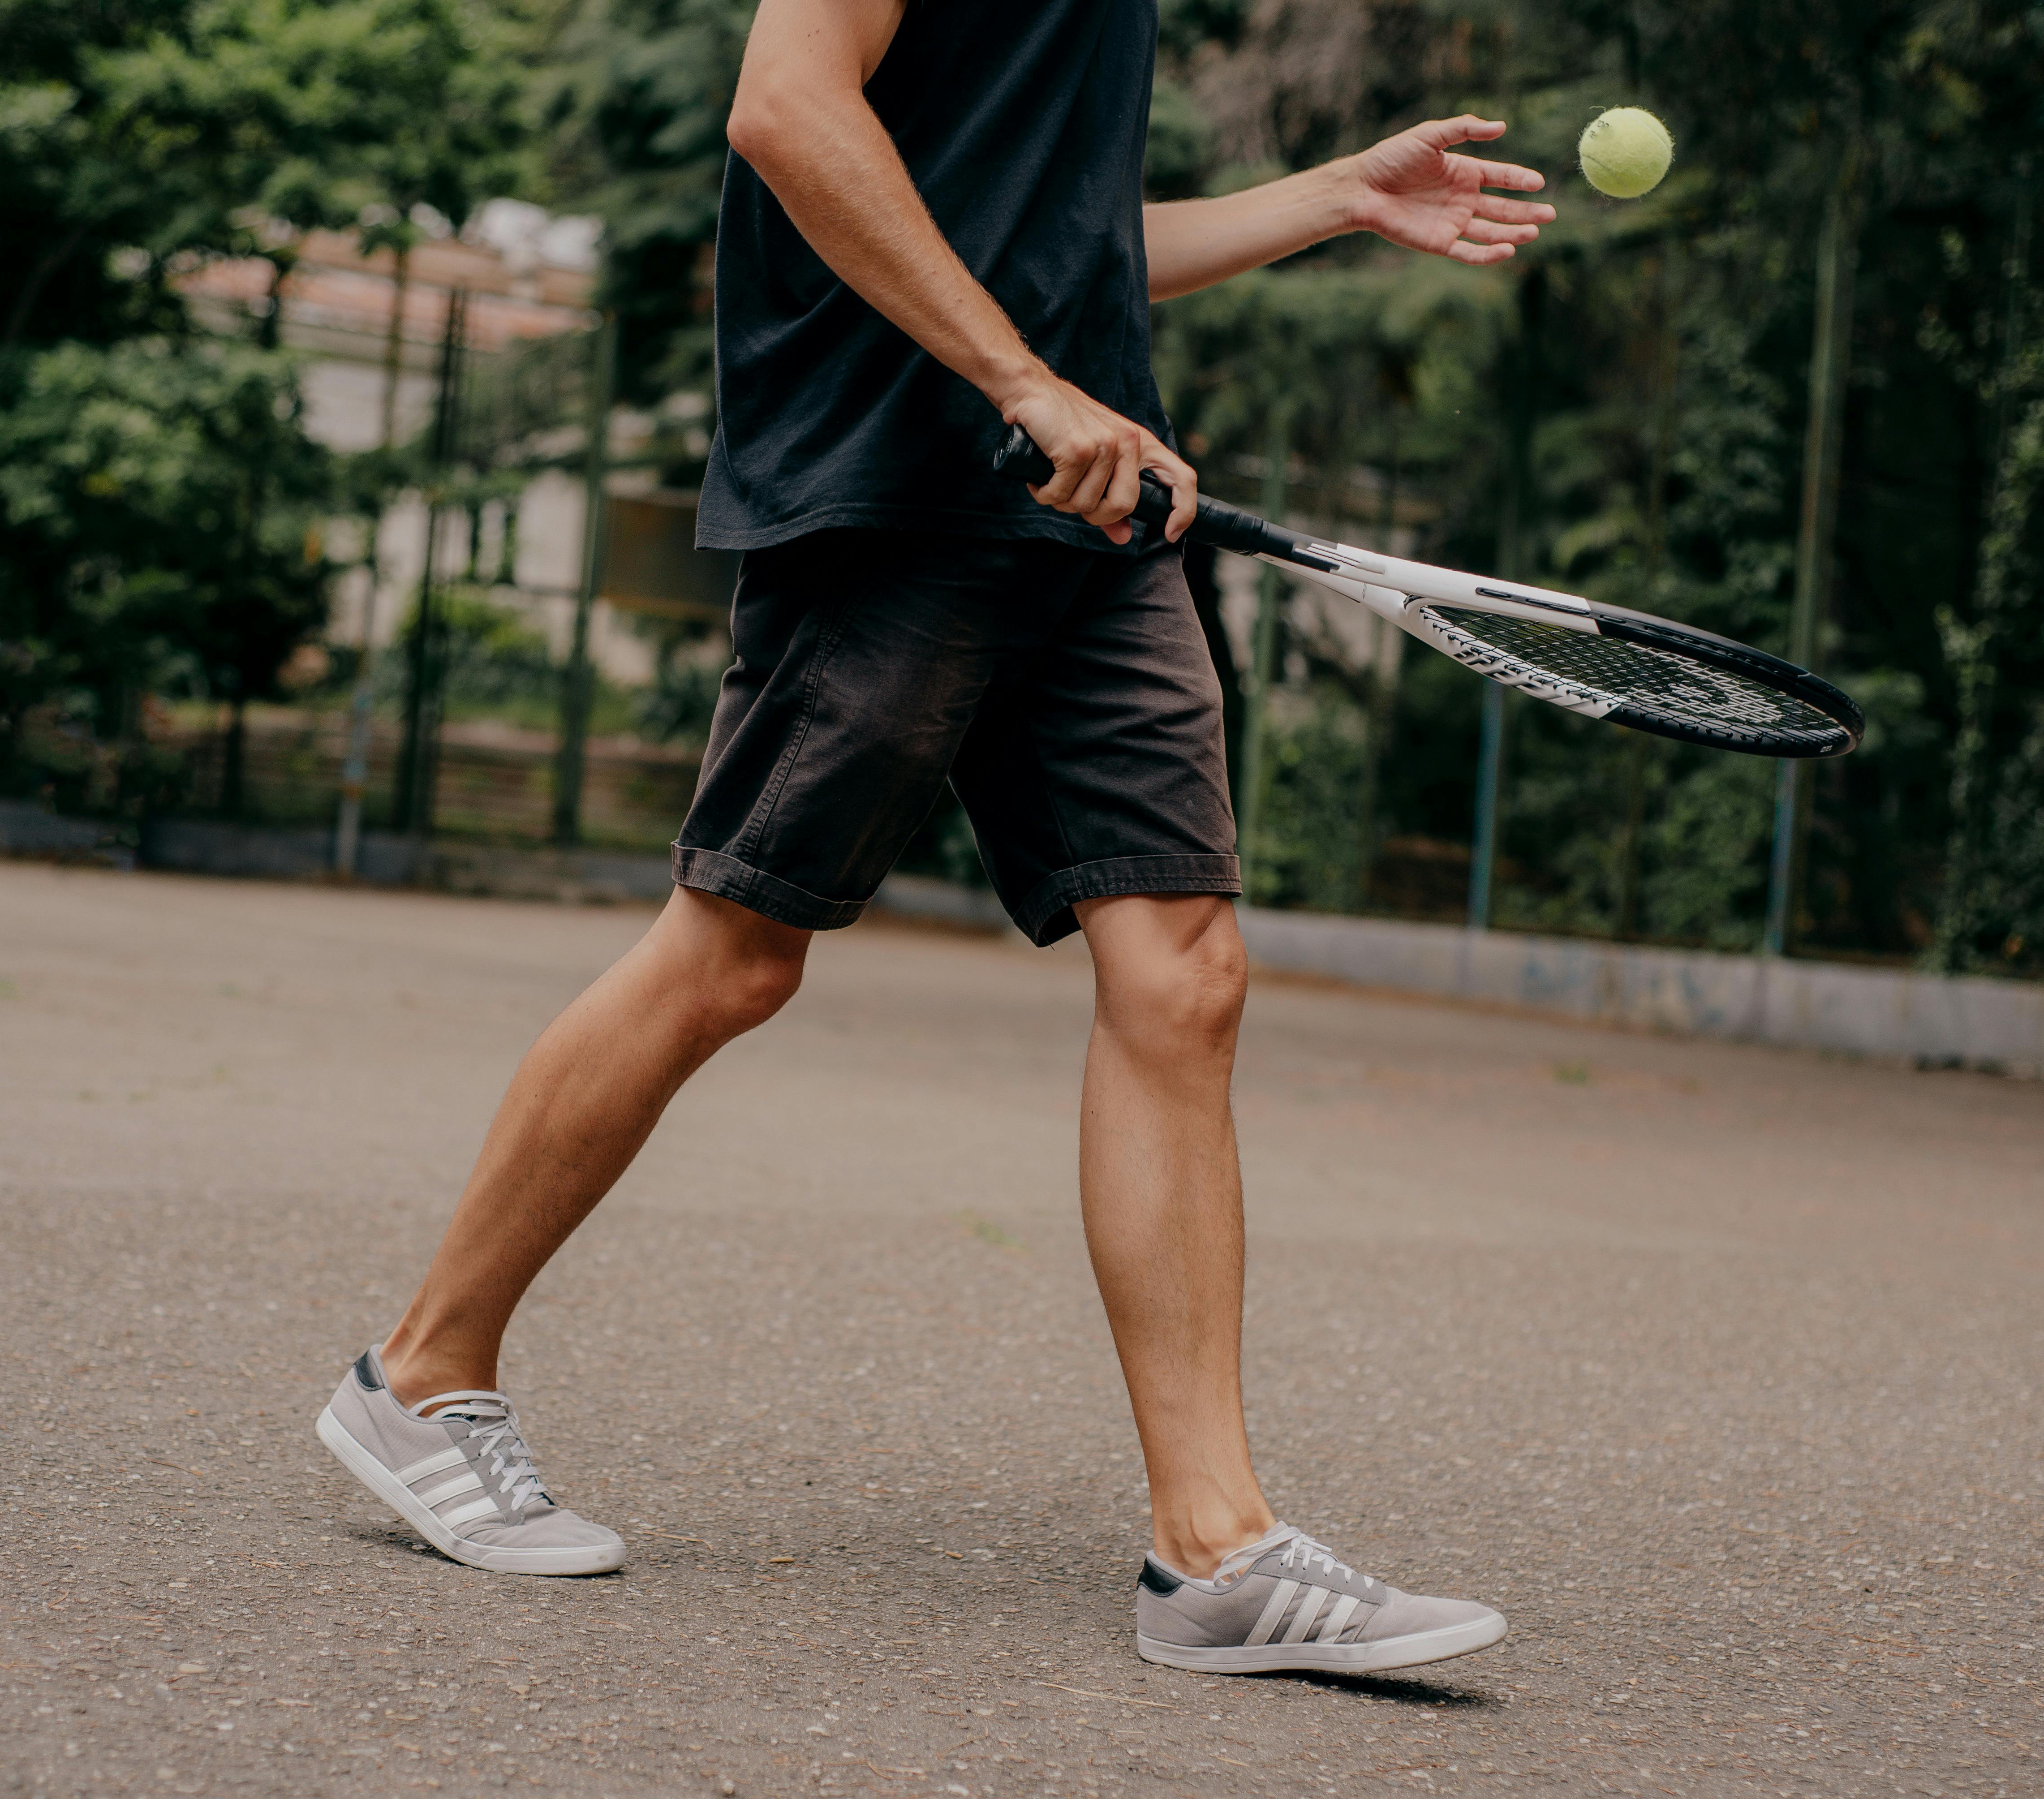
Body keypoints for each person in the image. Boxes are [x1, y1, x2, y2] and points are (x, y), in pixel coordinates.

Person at [317, 0, 1551, 1676]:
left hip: (1091, 502)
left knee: (1184, 973)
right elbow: (787, 108)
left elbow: (1059, 242)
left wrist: (1331, 196)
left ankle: (1216, 1549)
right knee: (736, 954)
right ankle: (421, 1375)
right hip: (896, 479)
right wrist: (1023, 381)